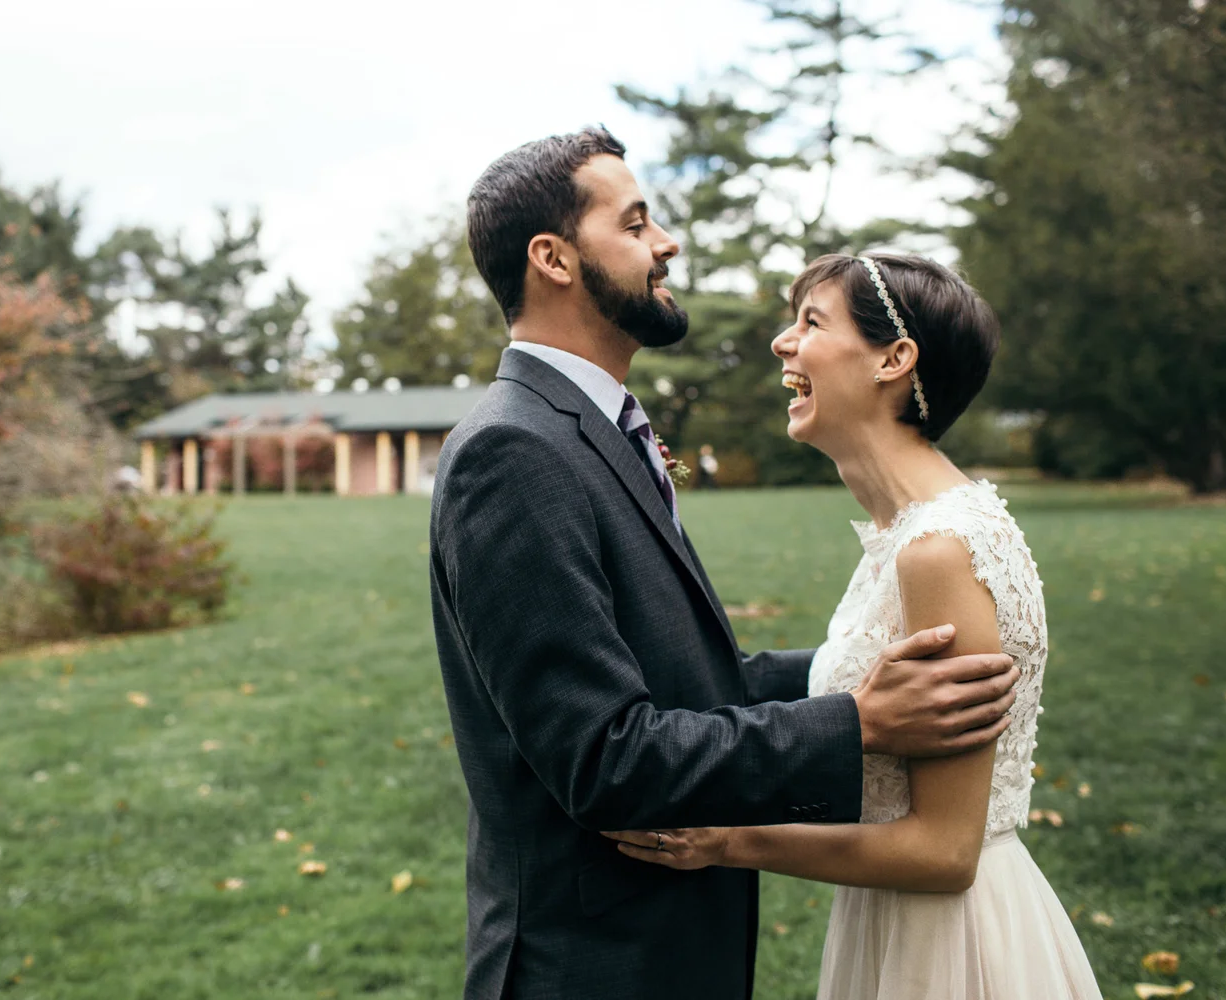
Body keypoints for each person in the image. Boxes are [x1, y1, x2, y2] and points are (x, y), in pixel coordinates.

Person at [428, 127, 1021, 1000]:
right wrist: (859, 722)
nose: (666, 243)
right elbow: (605, 758)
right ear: (553, 259)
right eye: (635, 225)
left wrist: (848, 670)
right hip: (592, 966)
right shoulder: (514, 452)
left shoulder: (591, 432)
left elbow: (686, 678)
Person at [607, 253, 1103, 999]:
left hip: (950, 944)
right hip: (888, 924)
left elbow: (944, 853)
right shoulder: (903, 532)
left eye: (812, 322)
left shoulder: (939, 551)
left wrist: (727, 842)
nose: (782, 342)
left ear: (894, 360)